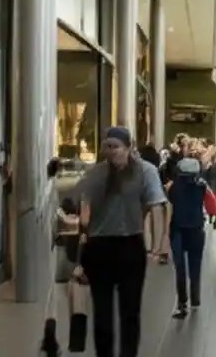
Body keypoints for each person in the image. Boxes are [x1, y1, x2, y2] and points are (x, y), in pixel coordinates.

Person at [73, 127, 167, 357]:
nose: (112, 152)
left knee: (130, 311)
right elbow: (84, 214)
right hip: (100, 246)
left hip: (130, 245)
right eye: (108, 147)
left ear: (129, 147)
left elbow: (157, 205)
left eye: (116, 147)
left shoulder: (146, 172)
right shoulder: (96, 174)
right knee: (102, 313)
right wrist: (81, 246)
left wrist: (157, 246)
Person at [167, 157, 207, 318]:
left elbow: (171, 200)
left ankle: (182, 303)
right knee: (195, 267)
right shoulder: (201, 186)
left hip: (178, 230)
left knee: (180, 268)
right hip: (196, 229)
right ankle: (195, 299)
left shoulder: (174, 188)